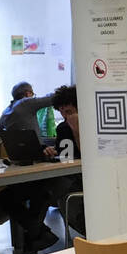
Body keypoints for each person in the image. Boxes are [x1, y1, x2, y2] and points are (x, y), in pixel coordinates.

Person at [43, 85, 84, 240]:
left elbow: (86, 154)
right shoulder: (62, 128)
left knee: (57, 188)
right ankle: (37, 233)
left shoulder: (90, 125)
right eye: (62, 112)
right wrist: (52, 151)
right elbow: (65, 154)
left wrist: (77, 130)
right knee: (44, 187)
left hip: (82, 176)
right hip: (67, 173)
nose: (65, 116)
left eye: (69, 111)